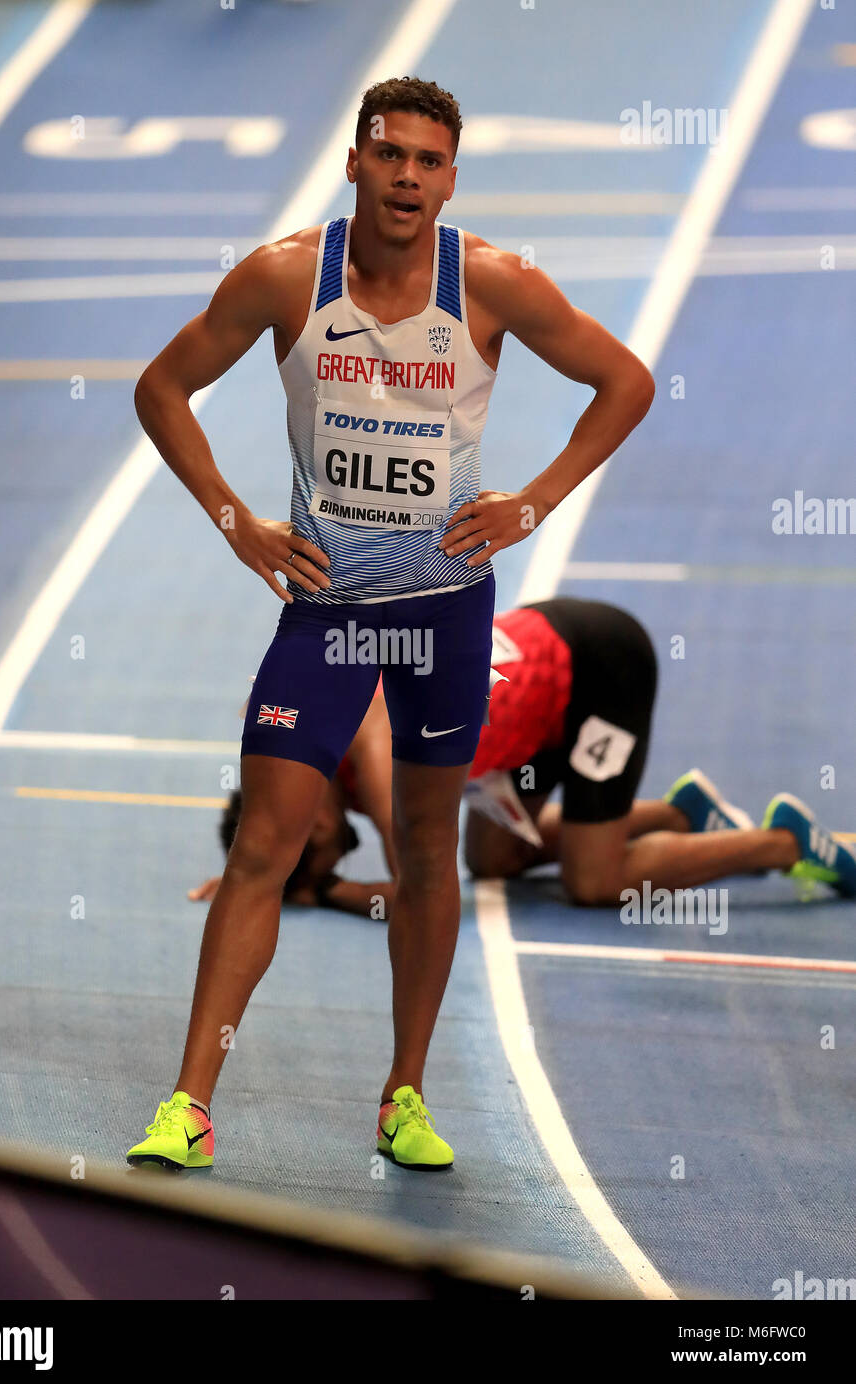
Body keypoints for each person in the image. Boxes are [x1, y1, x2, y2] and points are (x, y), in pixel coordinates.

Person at [126, 76, 655, 1174]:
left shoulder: (496, 287)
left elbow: (626, 382)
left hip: (446, 616)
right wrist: (235, 521)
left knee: (425, 848)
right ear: (357, 163)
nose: (409, 176)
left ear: (450, 177)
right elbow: (160, 389)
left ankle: (404, 1095)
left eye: (431, 160)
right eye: (392, 155)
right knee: (265, 846)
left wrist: (535, 501)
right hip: (324, 614)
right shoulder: (285, 277)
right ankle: (188, 1104)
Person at [195, 597, 856, 915]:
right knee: (493, 858)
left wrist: (328, 891)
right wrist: (256, 869)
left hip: (597, 675)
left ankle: (782, 844)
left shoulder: (375, 761)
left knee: (592, 883)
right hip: (528, 711)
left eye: (337, 848)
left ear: (309, 823)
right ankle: (681, 816)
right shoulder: (310, 741)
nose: (347, 844)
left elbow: (415, 898)